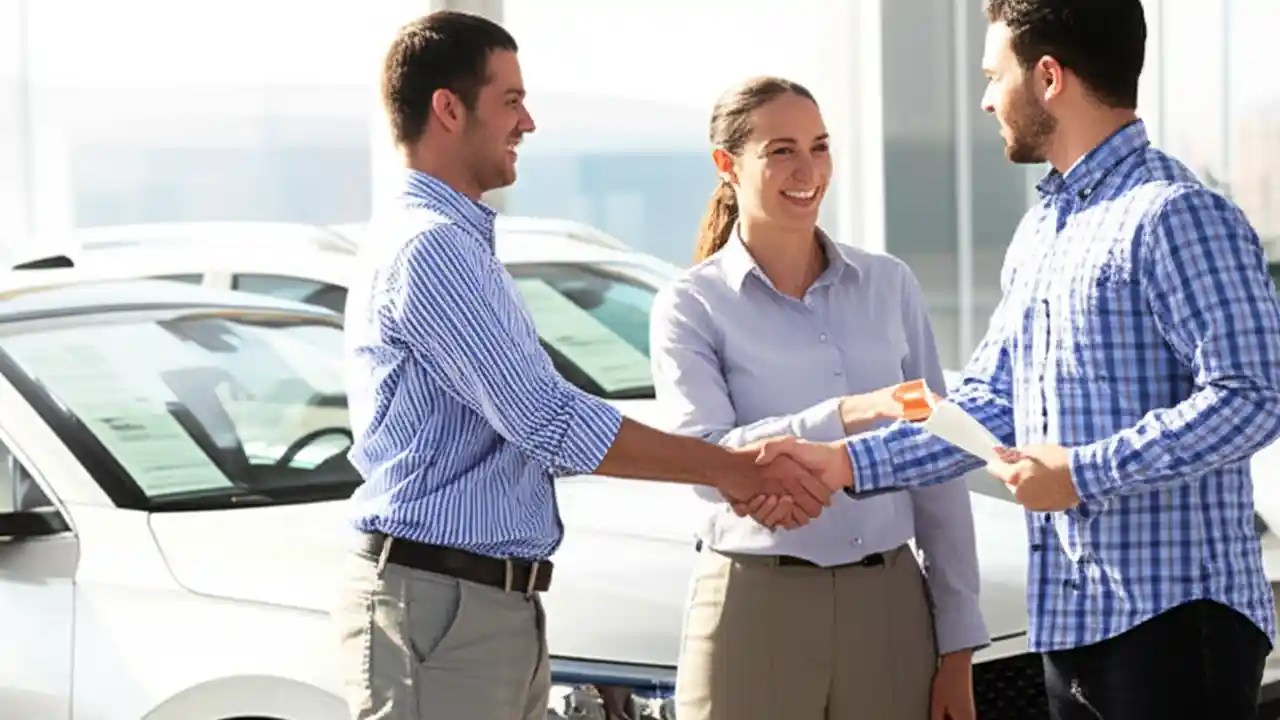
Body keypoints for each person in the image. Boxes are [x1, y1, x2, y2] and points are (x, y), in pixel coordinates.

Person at [755, 1, 1280, 718]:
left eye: (993, 75)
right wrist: (845, 463)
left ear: (1049, 77)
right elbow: (988, 401)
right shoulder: (1044, 228)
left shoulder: (1176, 214)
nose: (984, 98)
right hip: (1073, 622)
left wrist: (1081, 473)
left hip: (1177, 626)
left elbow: (1254, 396)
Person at [334, 12, 843, 720]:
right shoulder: (433, 249)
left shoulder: (450, 239)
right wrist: (734, 468)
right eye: (510, 100)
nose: (528, 122)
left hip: (477, 607)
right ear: (448, 109)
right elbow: (548, 420)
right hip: (445, 611)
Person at [649, 76, 989, 720]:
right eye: (781, 150)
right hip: (755, 604)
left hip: (889, 606)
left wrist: (958, 647)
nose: (807, 170)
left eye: (820, 146)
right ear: (727, 165)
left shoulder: (889, 284)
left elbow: (938, 463)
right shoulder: (690, 305)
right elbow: (704, 462)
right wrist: (848, 413)